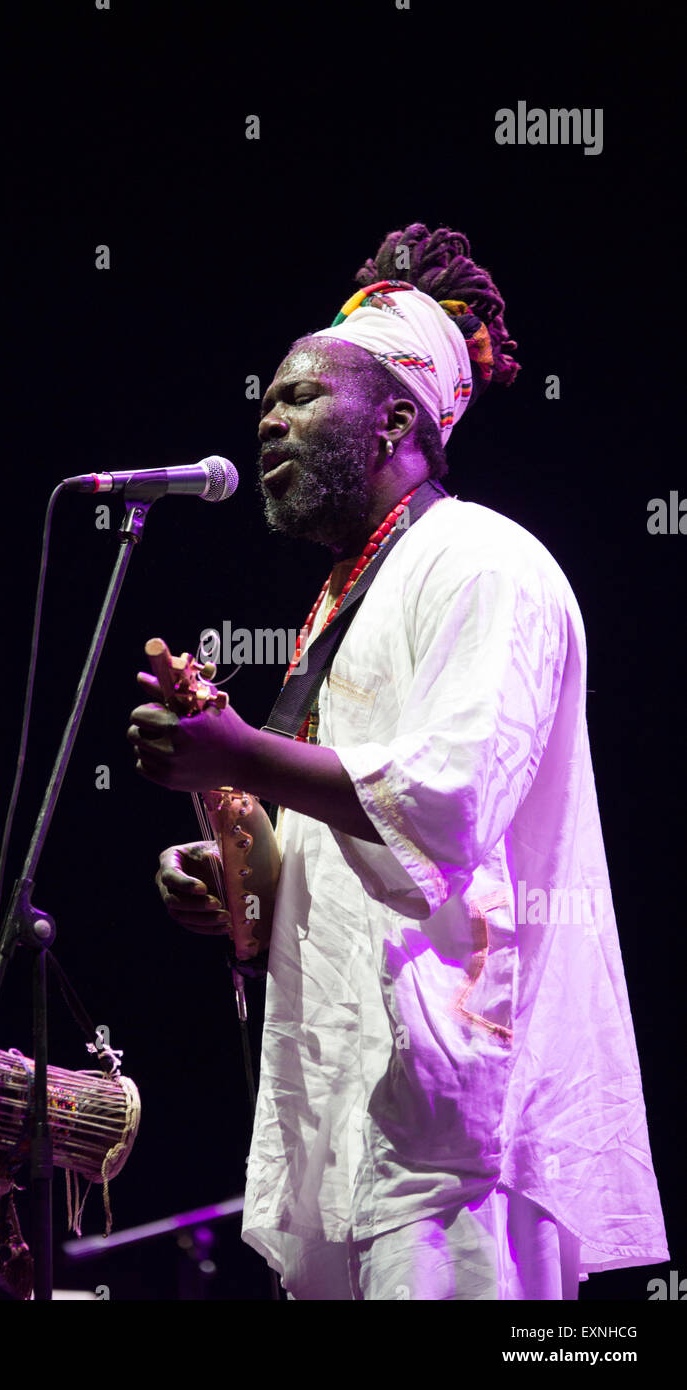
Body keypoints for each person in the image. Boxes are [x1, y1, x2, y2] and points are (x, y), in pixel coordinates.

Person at [127, 222, 669, 1300]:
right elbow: (347, 856)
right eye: (267, 398)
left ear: (392, 422)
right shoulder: (344, 600)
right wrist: (242, 877)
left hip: (460, 1130)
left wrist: (239, 752)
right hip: (351, 1115)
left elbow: (448, 806)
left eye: (298, 397)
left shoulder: (481, 561)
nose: (264, 416)